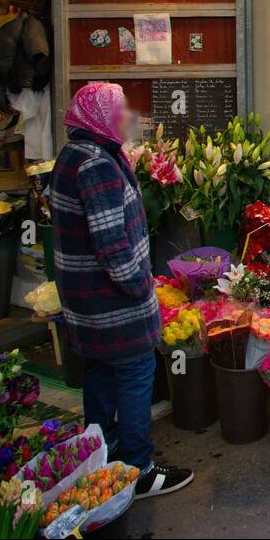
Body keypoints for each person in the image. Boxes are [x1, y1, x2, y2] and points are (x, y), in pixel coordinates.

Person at [52, 82, 194, 500]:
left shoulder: (73, 156)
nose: (126, 118)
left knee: (98, 374)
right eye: (118, 111)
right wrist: (140, 286)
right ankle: (138, 470)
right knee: (135, 375)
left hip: (85, 303)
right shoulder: (97, 165)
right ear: (97, 117)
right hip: (112, 302)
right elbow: (111, 244)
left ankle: (101, 459)